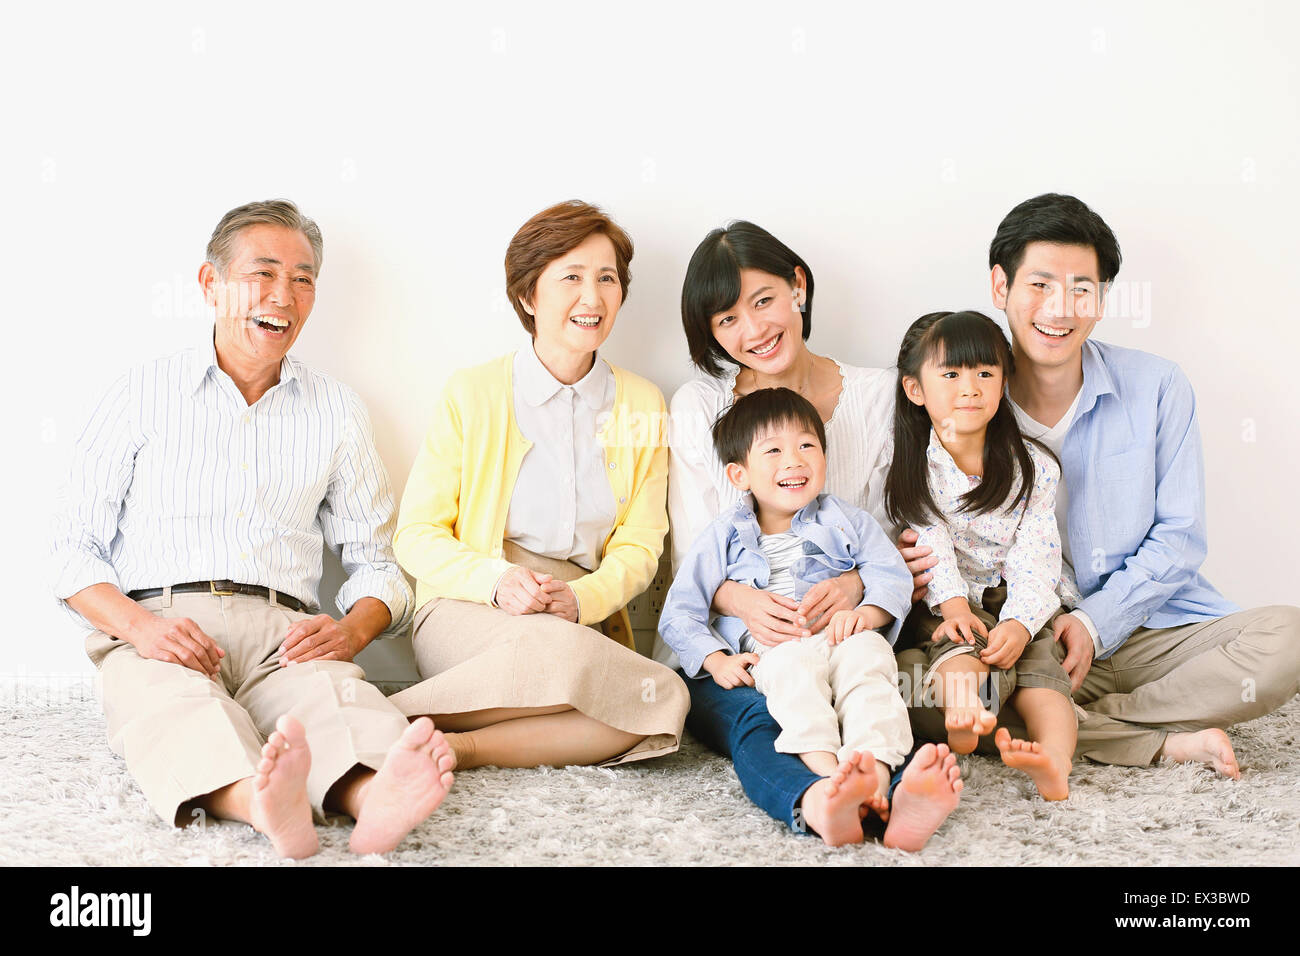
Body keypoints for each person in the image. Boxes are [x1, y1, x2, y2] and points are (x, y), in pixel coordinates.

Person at [51, 200, 454, 859]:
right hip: (161, 625)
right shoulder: (140, 393)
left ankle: (373, 799)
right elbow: (71, 554)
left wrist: (352, 630)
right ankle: (262, 802)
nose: (283, 296)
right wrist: (141, 629)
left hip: (284, 633)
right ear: (210, 285)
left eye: (302, 279)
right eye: (261, 274)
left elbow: (377, 560)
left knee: (336, 700)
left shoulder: (337, 411)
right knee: (170, 707)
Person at [900, 193, 1299, 778]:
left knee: (1285, 640)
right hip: (1014, 636)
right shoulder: (961, 391)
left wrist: (1093, 622)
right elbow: (907, 508)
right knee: (915, 689)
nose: (1059, 309)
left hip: (1141, 633)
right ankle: (1150, 739)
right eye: (1039, 285)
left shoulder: (1157, 386)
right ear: (999, 287)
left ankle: (1077, 724)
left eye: (1080, 289)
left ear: (1102, 298)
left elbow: (1180, 538)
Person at [659, 220, 963, 847]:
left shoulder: (880, 395)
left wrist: (859, 588)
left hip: (847, 632)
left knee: (874, 692)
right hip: (744, 651)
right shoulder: (698, 408)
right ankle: (820, 800)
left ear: (798, 286)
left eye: (763, 300)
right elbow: (692, 566)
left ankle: (892, 796)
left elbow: (897, 537)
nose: (752, 330)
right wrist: (740, 603)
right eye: (726, 320)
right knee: (756, 715)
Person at [386, 200, 688, 769]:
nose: (592, 298)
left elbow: (642, 545)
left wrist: (581, 599)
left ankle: (455, 744)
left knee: (662, 695)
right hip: (470, 602)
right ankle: (396, 714)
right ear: (529, 296)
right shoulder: (472, 392)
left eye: (606, 279)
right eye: (570, 278)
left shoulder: (643, 403)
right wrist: (499, 580)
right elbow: (417, 534)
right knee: (574, 664)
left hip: (577, 613)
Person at [661, 388, 933, 847]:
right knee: (796, 673)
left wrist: (867, 612)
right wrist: (714, 660)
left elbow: (890, 573)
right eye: (773, 450)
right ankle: (830, 772)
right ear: (739, 474)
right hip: (776, 648)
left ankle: (878, 772)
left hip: (842, 634)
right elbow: (680, 608)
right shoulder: (724, 535)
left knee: (870, 669)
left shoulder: (846, 518)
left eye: (807, 445)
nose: (794, 460)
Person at [887, 311, 1077, 801]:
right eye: (950, 375)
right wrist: (953, 609)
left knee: (1042, 673)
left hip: (1016, 596)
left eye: (984, 373)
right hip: (951, 599)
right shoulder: (913, 466)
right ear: (916, 390)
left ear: (1003, 382)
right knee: (958, 648)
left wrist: (1018, 622)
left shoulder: (1033, 467)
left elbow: (1037, 556)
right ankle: (963, 712)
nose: (969, 388)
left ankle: (1056, 761)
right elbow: (931, 546)